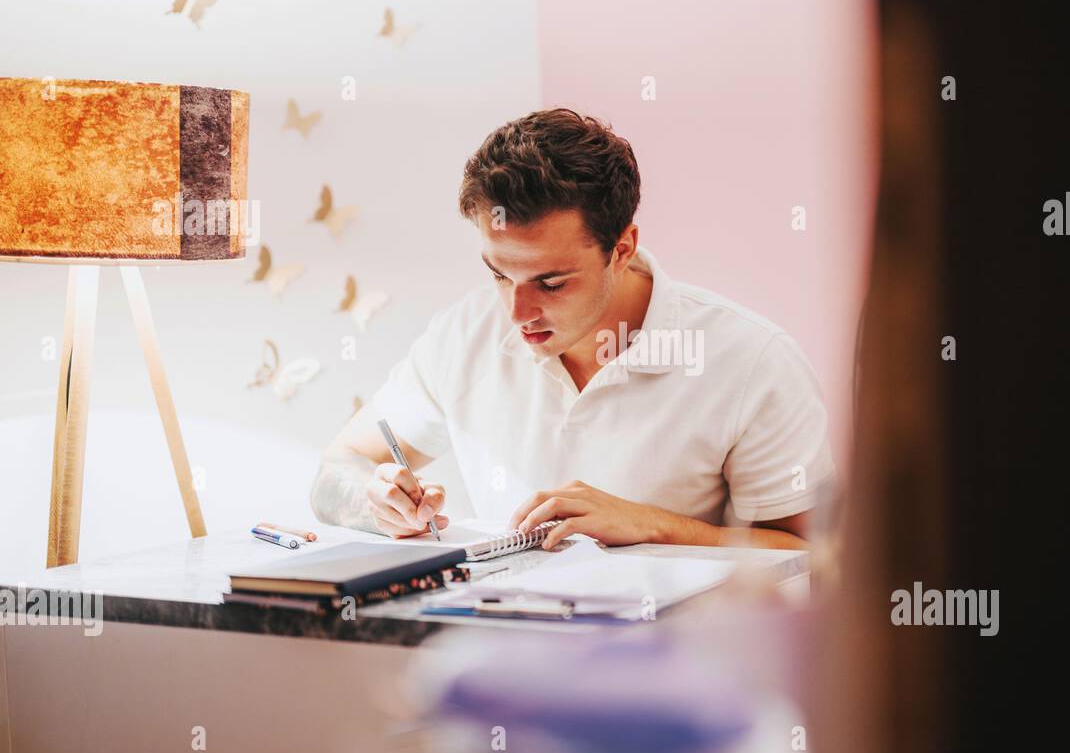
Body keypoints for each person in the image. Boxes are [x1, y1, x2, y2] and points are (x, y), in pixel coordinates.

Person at [309, 108, 833, 550]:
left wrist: (654, 525)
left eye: (551, 283)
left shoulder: (751, 360)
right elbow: (338, 468)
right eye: (499, 274)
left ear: (621, 249)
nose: (517, 313)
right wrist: (374, 503)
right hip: (506, 646)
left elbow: (817, 556)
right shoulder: (464, 333)